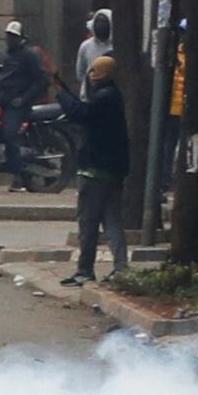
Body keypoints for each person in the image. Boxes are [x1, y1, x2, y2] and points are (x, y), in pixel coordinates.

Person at [54, 54, 131, 284]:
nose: (90, 77)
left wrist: (59, 92)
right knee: (112, 221)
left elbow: (80, 113)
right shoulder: (112, 96)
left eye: (94, 72)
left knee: (88, 222)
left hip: (95, 171)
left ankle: (85, 270)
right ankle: (121, 268)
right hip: (112, 172)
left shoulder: (104, 98)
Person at [0, 19, 49, 191]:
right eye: (8, 36)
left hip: (17, 106)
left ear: (20, 38)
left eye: (13, 36)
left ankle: (17, 177)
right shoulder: (1, 56)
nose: (10, 39)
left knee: (9, 134)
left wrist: (24, 99)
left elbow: (41, 80)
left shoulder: (29, 55)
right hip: (0, 102)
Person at [75, 9, 113, 92]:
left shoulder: (116, 47)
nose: (100, 25)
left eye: (104, 22)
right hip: (89, 94)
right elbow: (80, 73)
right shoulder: (85, 46)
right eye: (98, 22)